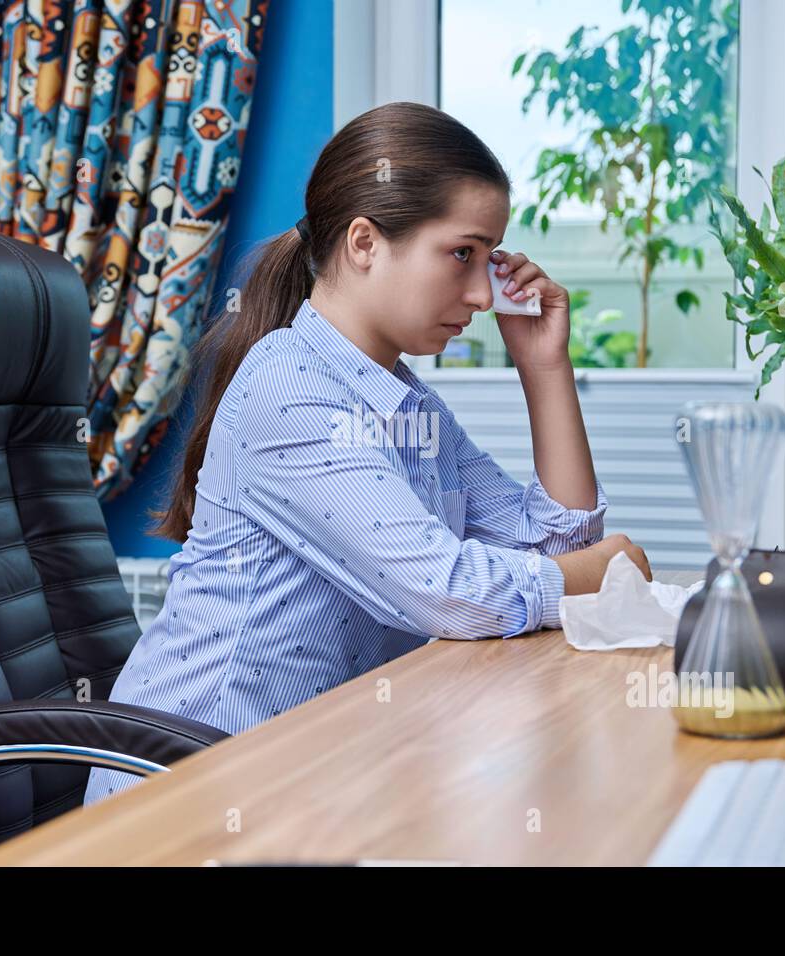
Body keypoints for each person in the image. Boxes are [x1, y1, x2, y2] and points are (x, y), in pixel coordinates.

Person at [84, 101, 651, 805]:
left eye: (489, 259)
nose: (481, 293)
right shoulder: (289, 389)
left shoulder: (406, 404)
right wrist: (598, 570)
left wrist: (544, 368)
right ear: (363, 244)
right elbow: (456, 595)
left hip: (312, 772)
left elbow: (558, 540)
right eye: (462, 254)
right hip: (187, 791)